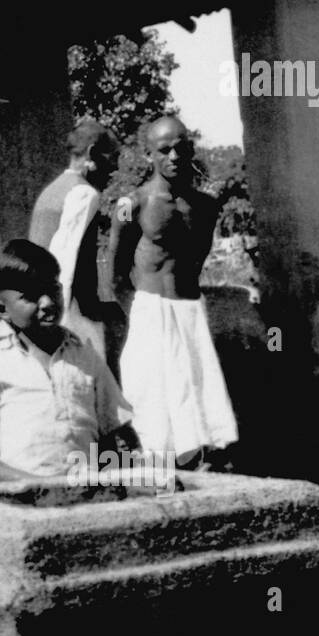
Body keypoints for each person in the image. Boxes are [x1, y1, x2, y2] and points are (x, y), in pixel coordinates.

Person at [0, 240, 135, 482]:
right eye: (31, 296)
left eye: (52, 289)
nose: (47, 303)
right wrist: (29, 484)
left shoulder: (85, 357)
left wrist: (120, 481)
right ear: (2, 309)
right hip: (22, 503)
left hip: (85, 495)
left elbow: (113, 429)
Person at [110, 116, 237, 470]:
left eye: (181, 147)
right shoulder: (129, 203)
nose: (175, 156)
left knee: (198, 401)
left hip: (190, 310)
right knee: (152, 402)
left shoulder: (207, 207)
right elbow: (116, 274)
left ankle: (200, 472)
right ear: (149, 154)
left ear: (191, 148)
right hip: (150, 312)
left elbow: (195, 261)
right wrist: (139, 315)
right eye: (164, 150)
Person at [29, 120, 120, 359]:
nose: (114, 167)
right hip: (73, 314)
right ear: (92, 154)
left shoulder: (52, 190)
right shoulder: (84, 193)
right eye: (112, 156)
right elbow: (65, 260)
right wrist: (61, 321)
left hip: (42, 305)